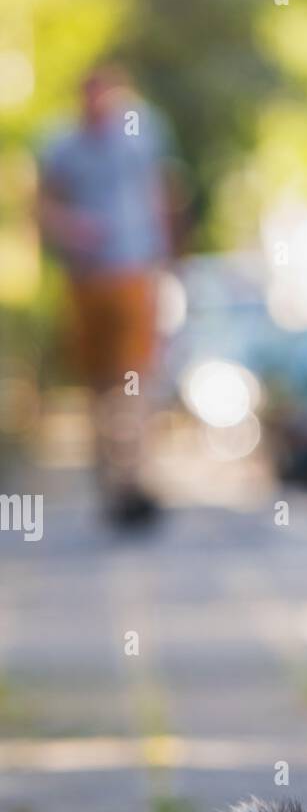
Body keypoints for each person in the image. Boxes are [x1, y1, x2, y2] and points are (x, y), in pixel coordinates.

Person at [38, 64, 180, 523]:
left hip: (134, 272)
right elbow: (41, 203)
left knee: (137, 379)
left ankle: (133, 480)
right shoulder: (60, 143)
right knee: (99, 386)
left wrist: (169, 258)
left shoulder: (143, 132)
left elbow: (162, 192)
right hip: (86, 279)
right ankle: (112, 484)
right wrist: (68, 227)